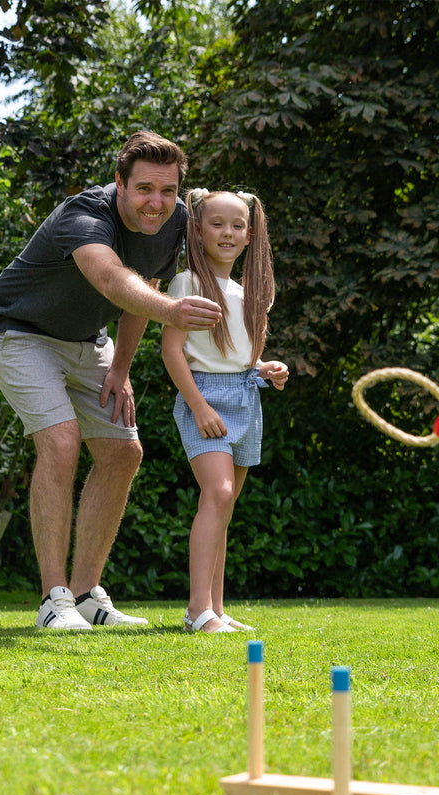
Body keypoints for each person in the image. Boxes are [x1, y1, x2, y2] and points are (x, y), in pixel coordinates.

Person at [0, 131, 222, 630]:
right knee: (62, 441)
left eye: (168, 191)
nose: (157, 203)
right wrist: (174, 312)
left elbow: (144, 287)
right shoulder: (84, 216)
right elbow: (113, 280)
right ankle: (55, 600)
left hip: (87, 341)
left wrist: (121, 368)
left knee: (122, 452)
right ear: (119, 184)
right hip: (19, 333)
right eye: (144, 190)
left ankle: (88, 595)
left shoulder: (173, 222)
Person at [161, 189, 288, 633]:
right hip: (205, 400)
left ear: (250, 235)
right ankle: (197, 610)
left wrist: (264, 367)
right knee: (215, 494)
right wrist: (198, 407)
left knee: (225, 505)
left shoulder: (246, 292)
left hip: (245, 396)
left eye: (237, 225)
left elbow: (238, 357)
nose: (227, 233)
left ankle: (215, 607)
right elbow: (173, 352)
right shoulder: (187, 284)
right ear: (197, 230)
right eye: (217, 224)